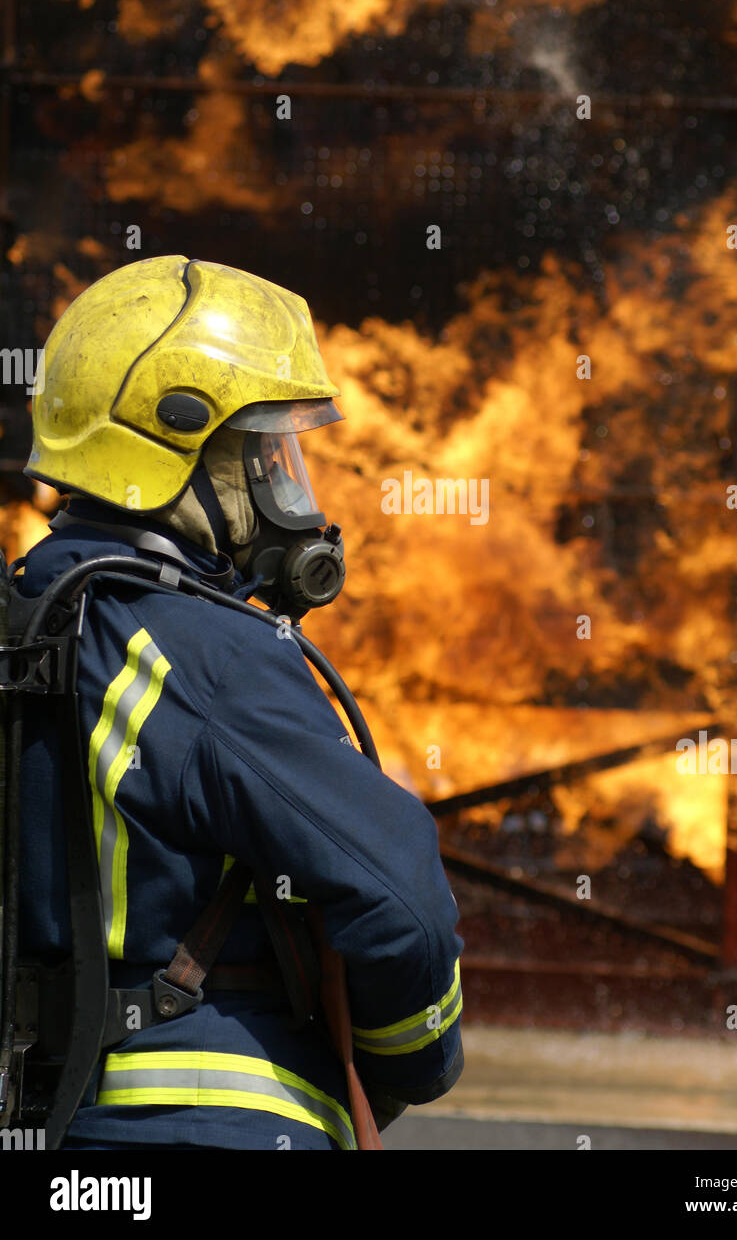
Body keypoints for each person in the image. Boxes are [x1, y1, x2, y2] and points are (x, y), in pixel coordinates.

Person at [15, 254, 463, 1150]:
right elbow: (401, 901)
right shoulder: (201, 651)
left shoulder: (20, 614)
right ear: (173, 445)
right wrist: (409, 1060)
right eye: (263, 454)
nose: (286, 490)